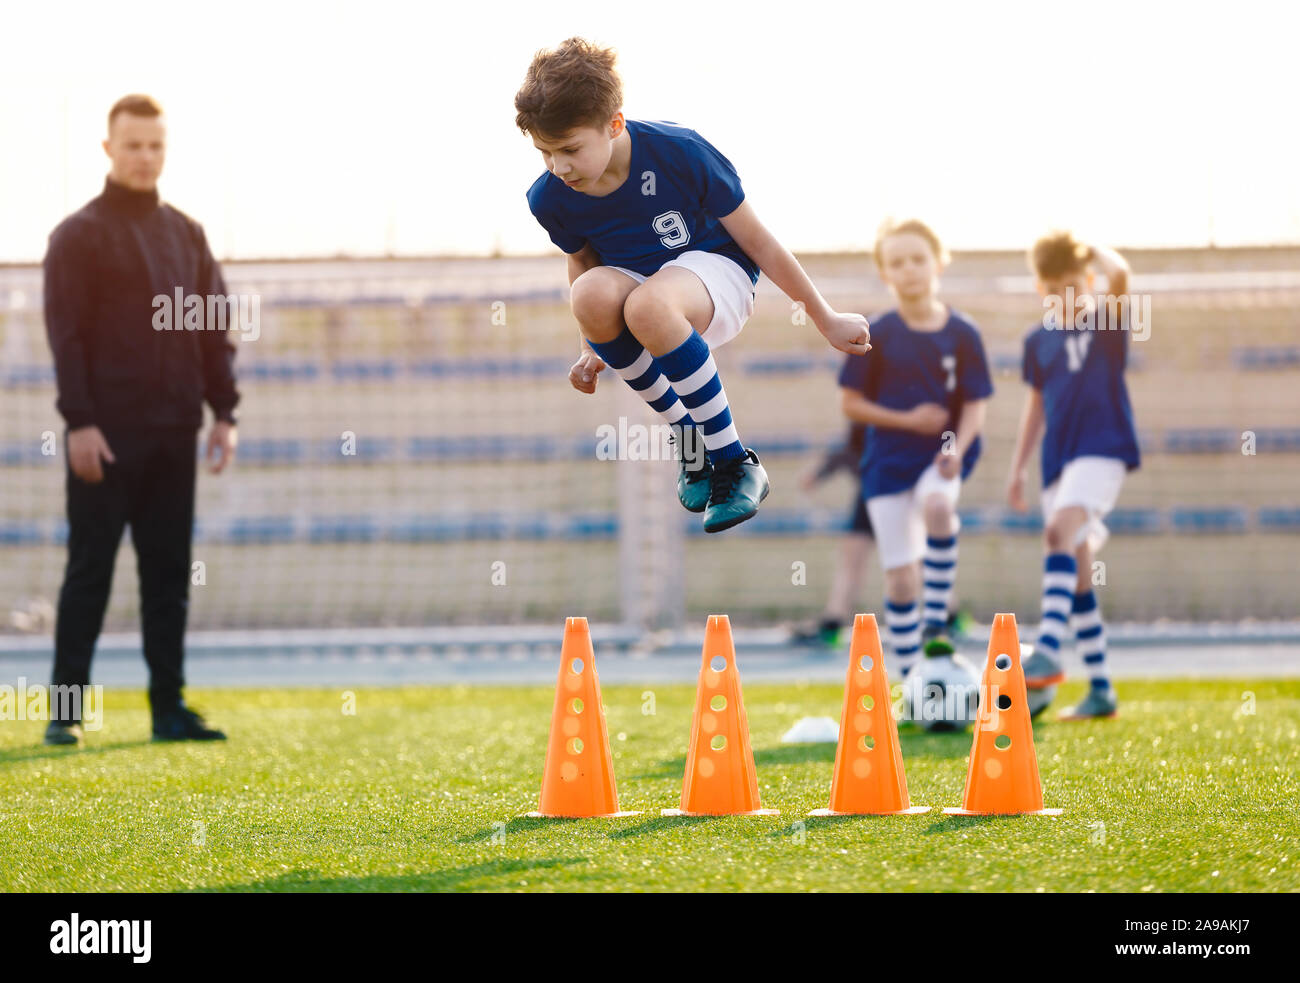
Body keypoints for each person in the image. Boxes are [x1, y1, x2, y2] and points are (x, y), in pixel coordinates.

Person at [515, 37, 870, 532]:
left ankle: (735, 462)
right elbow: (584, 263)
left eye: (570, 149)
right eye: (545, 153)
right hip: (640, 282)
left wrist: (824, 317)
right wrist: (590, 345)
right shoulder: (552, 197)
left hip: (716, 272)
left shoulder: (680, 152)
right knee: (590, 295)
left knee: (648, 306)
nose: (559, 166)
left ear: (614, 124)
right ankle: (691, 443)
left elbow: (760, 242)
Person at [41, 94, 240, 745]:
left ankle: (168, 709)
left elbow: (214, 327)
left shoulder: (185, 234)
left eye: (155, 145)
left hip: (174, 431)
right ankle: (65, 712)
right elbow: (66, 338)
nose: (145, 156)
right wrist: (79, 421)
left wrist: (223, 413)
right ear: (108, 148)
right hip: (104, 436)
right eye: (132, 145)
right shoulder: (77, 237)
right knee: (89, 572)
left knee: (167, 575)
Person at [839, 219, 992, 679]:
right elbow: (851, 403)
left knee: (938, 503)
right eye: (897, 263)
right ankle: (910, 678)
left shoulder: (963, 333)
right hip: (886, 463)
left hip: (941, 455)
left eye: (918, 259)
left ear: (938, 262)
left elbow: (976, 403)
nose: (909, 270)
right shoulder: (877, 332)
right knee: (901, 578)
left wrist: (958, 449)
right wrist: (907, 420)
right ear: (886, 274)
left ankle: (935, 624)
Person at [1008, 232, 1140, 720]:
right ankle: (1102, 688)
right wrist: (1019, 467)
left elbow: (1120, 275)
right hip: (1057, 461)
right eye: (1055, 288)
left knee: (1057, 531)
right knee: (1079, 572)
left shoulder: (1104, 323)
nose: (1068, 295)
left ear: (1087, 281)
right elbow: (1036, 405)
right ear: (1042, 291)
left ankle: (1045, 648)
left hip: (1102, 449)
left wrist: (1091, 246)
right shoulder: (1037, 340)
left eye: (1075, 284)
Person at [787, 425, 875, 648]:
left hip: (892, 491)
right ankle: (832, 624)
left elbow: (848, 450)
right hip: (871, 495)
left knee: (914, 559)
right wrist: (817, 476)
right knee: (851, 560)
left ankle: (946, 617)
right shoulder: (863, 415)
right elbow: (848, 450)